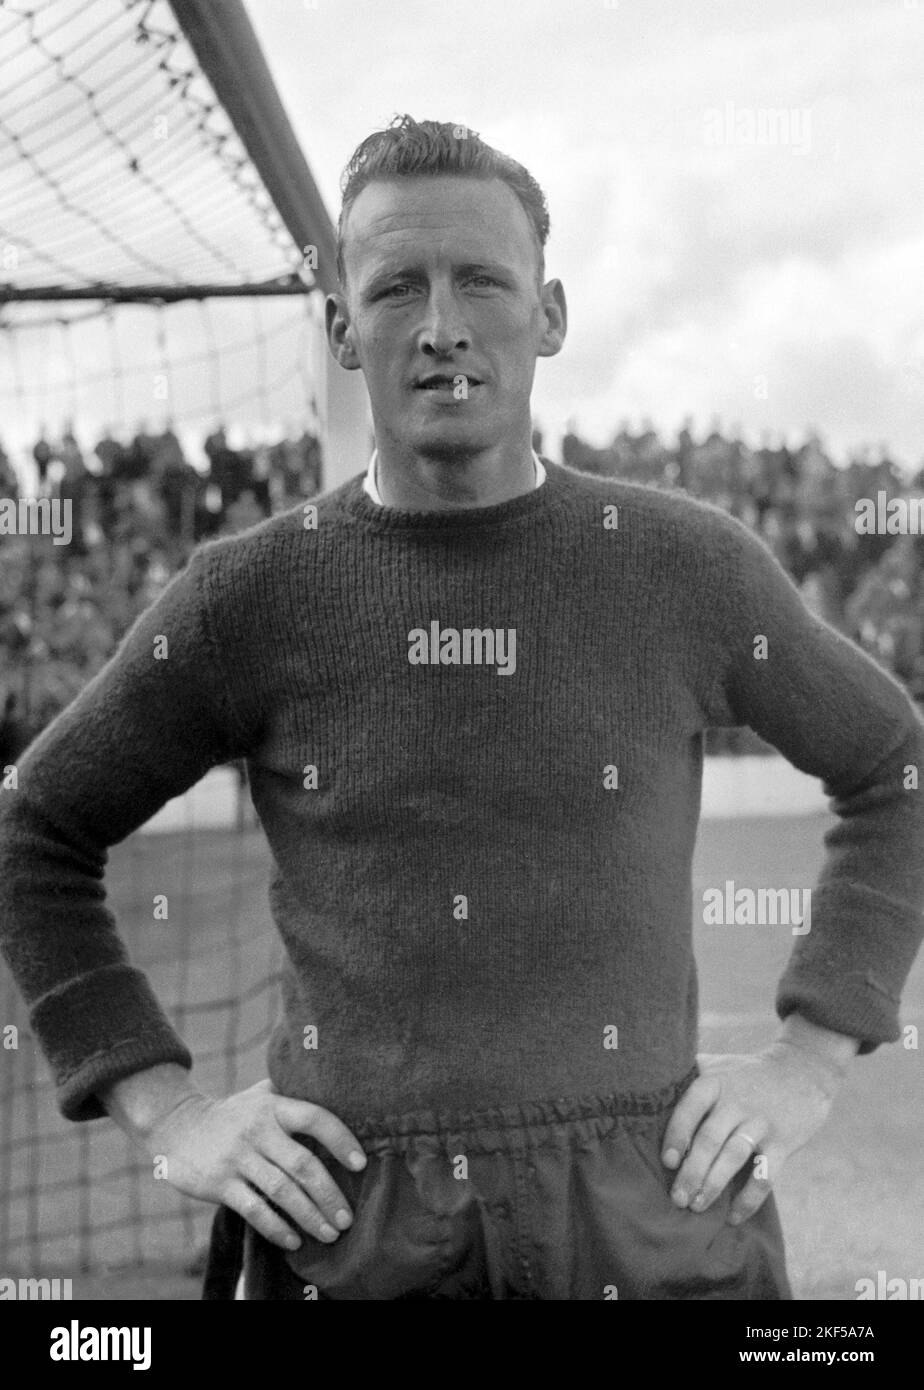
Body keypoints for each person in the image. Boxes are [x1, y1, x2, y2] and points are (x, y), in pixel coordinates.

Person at [1, 116, 923, 1301]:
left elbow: (893, 765)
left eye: (481, 280)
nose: (442, 325)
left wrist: (808, 1054)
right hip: (358, 1232)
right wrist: (163, 1105)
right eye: (396, 289)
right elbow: (36, 826)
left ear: (548, 315)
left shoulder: (684, 565)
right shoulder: (248, 595)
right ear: (342, 328)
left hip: (651, 1226)